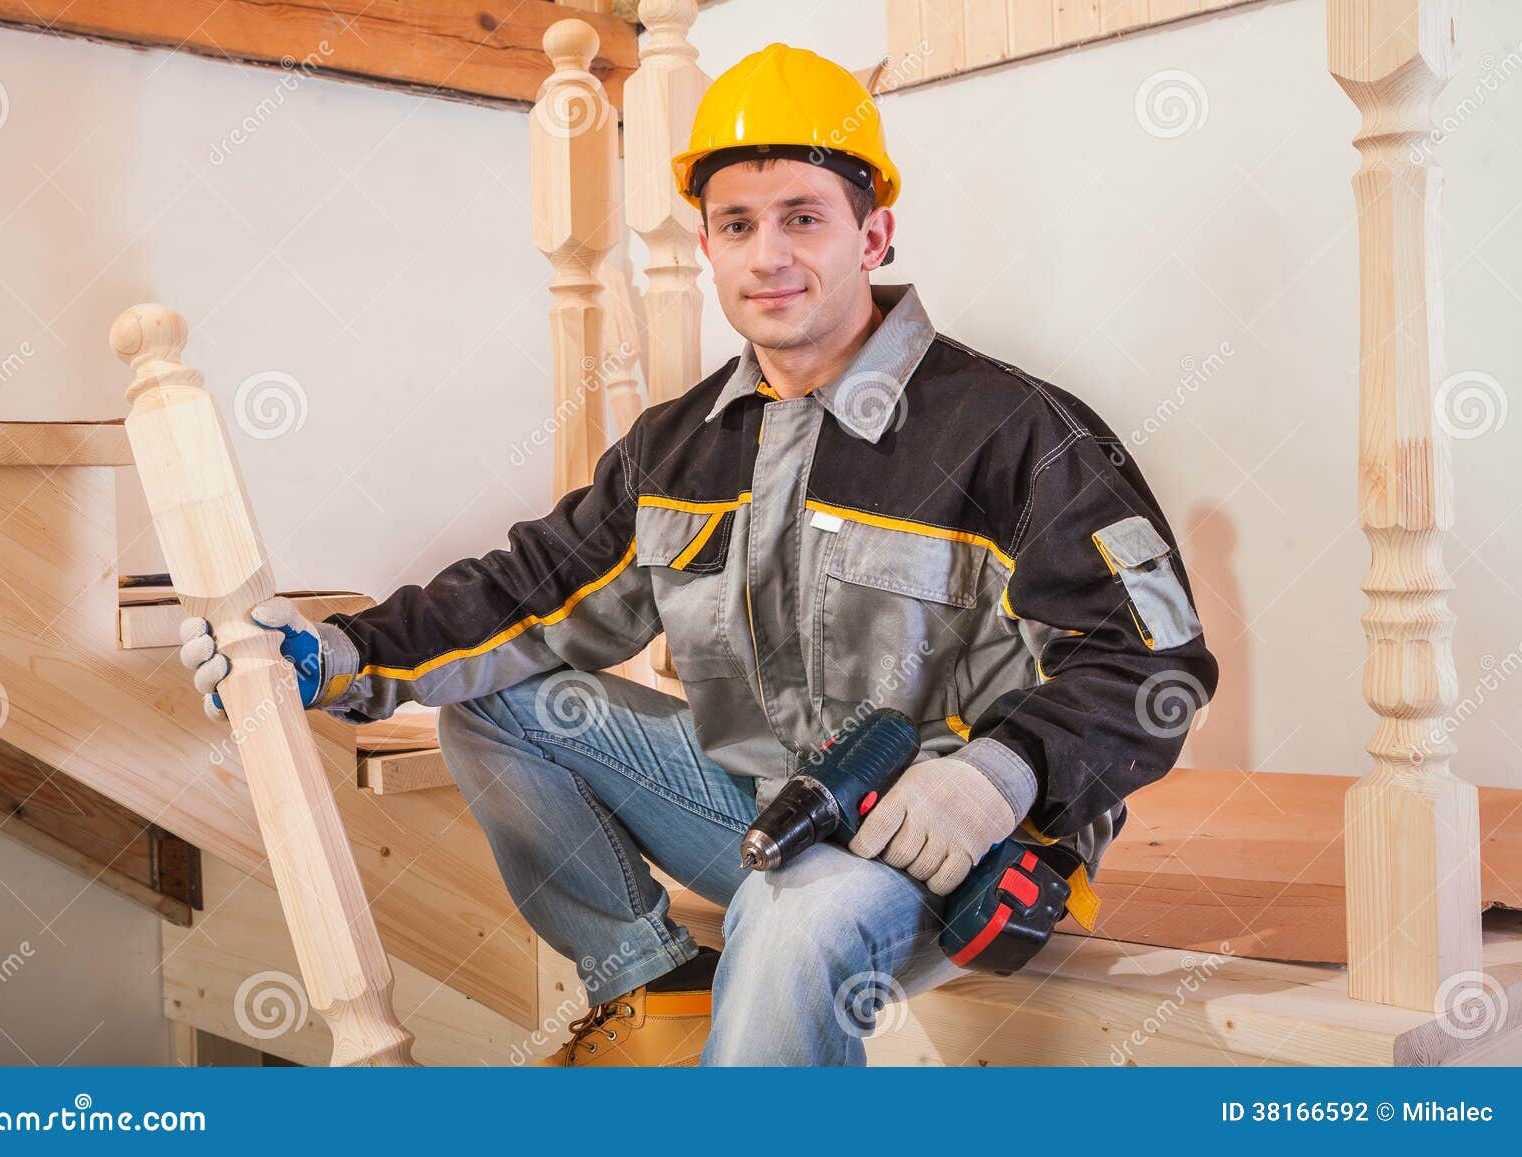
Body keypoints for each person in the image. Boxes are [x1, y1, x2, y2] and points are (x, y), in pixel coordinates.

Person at [179, 42, 1218, 1066]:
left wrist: (998, 777)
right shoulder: (681, 445)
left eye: (803, 218)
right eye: (737, 224)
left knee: (795, 912)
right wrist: (336, 651)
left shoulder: (1013, 433)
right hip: (772, 806)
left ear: (874, 233)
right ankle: (649, 983)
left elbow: (1152, 661)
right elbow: (525, 593)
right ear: (710, 248)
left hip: (947, 838)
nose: (768, 255)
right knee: (495, 705)